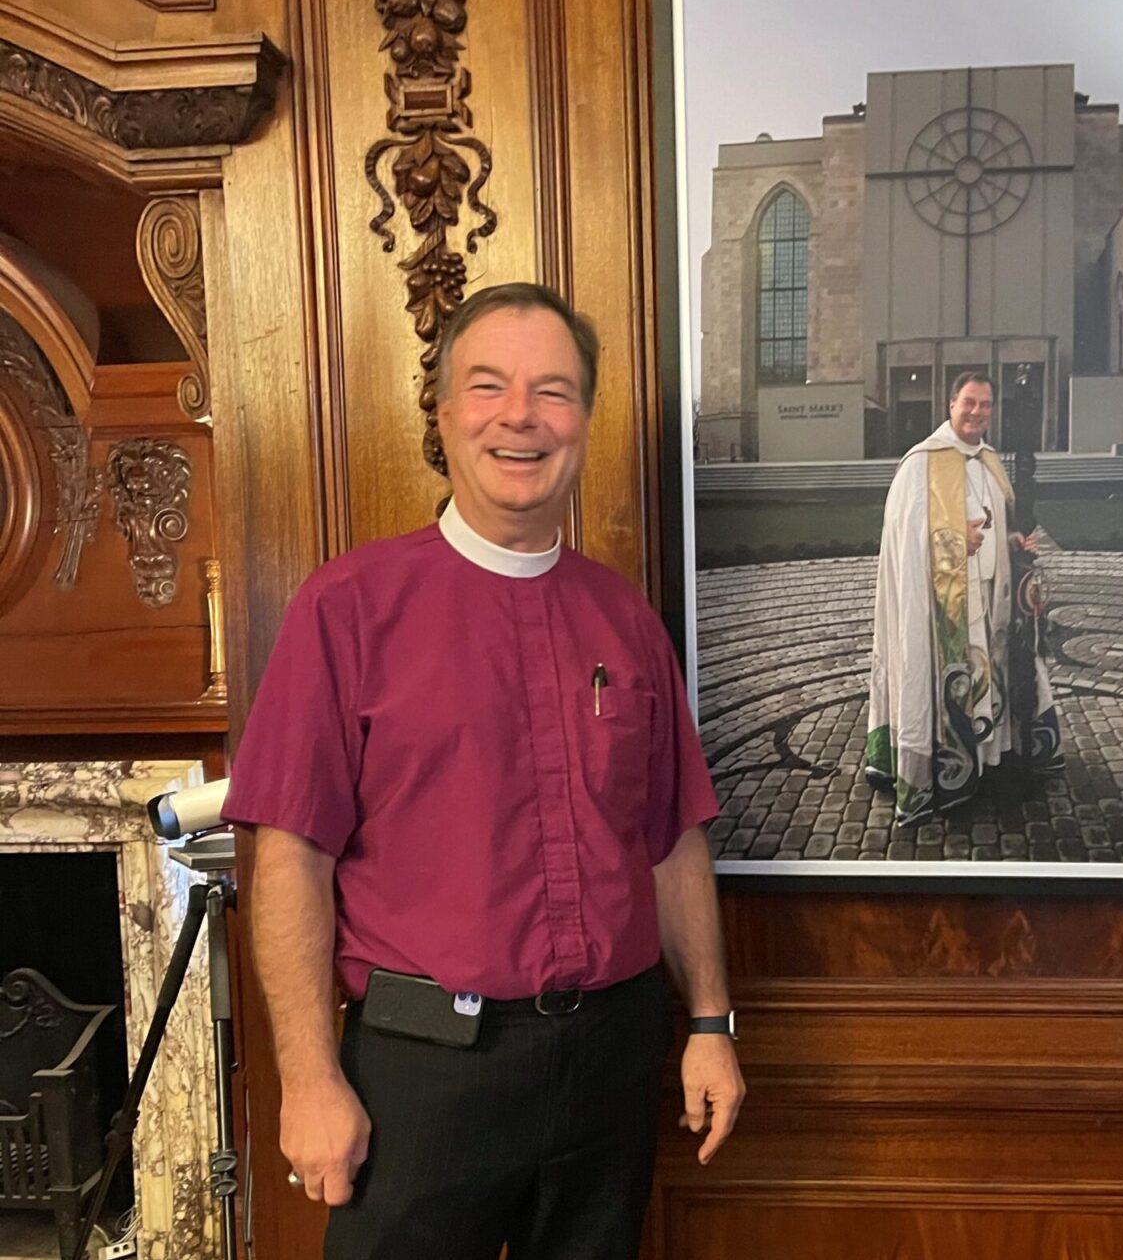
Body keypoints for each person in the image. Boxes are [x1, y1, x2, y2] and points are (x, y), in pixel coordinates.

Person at [223, 282, 745, 1260]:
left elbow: (674, 837)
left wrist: (711, 1020)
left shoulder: (626, 621)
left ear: (584, 419)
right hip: (423, 1069)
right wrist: (306, 1076)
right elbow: (290, 855)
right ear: (444, 410)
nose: (520, 416)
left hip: (609, 1062)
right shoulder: (347, 609)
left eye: (552, 391)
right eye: (488, 386)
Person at [865, 371, 1062, 826]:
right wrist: (955, 538)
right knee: (955, 682)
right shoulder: (922, 463)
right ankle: (947, 769)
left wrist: (1012, 541)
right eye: (969, 403)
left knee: (991, 680)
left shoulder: (989, 460)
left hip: (990, 599)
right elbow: (904, 536)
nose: (977, 412)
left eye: (986, 405)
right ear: (951, 405)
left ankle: (989, 761)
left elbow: (999, 522)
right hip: (946, 610)